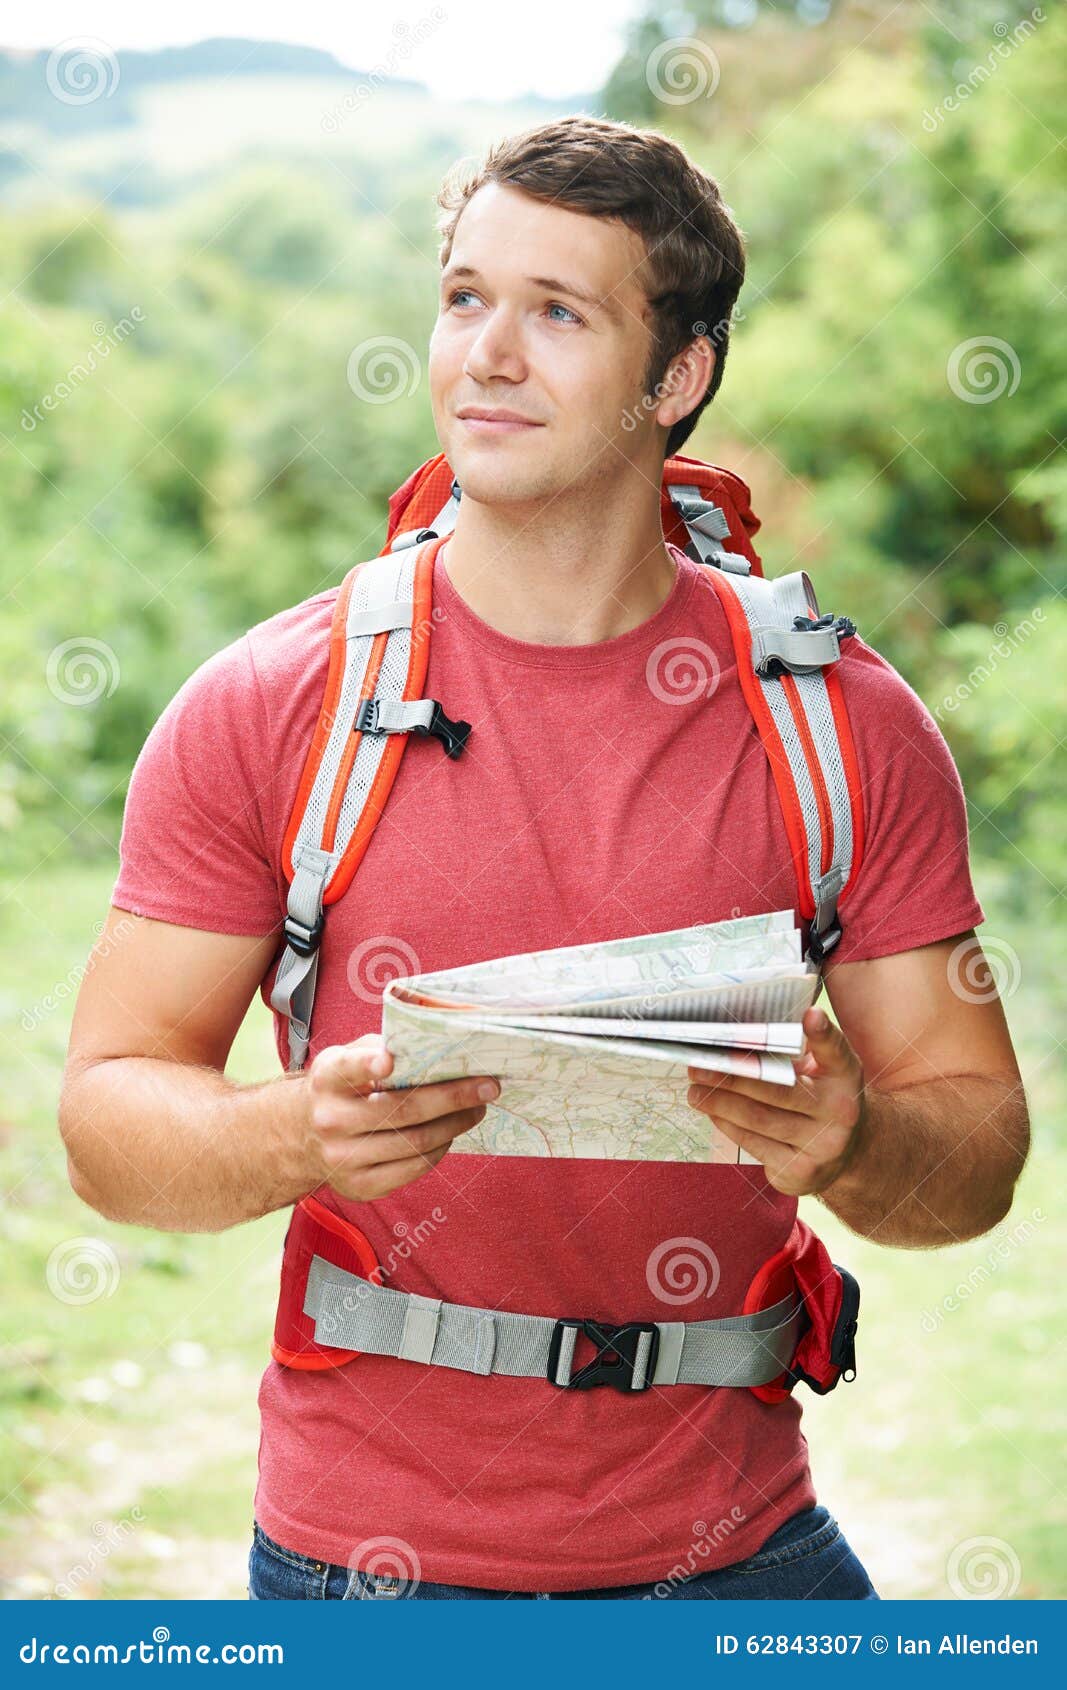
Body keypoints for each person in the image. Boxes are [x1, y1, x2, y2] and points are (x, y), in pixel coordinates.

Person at [60, 115, 1029, 1601]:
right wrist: (290, 1136)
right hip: (363, 1576)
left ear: (678, 376)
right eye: (464, 297)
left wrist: (860, 1142)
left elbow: (976, 1157)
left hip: (743, 1559)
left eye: (558, 313)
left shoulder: (843, 731)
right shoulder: (275, 709)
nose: (484, 355)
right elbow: (108, 1115)